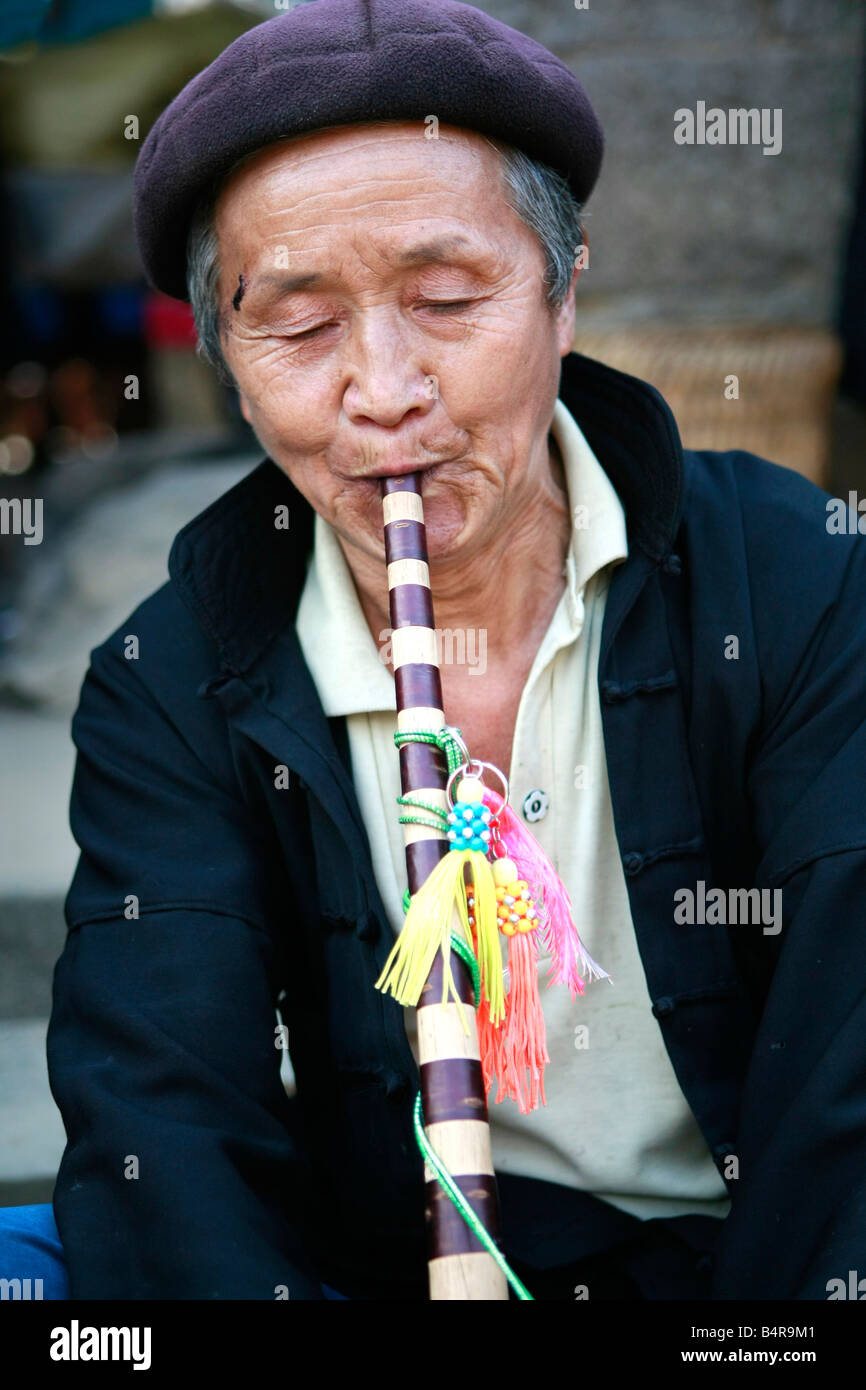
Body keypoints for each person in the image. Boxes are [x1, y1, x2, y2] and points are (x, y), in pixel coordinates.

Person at [6, 0, 864, 1301]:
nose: (385, 388)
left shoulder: (800, 577)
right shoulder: (170, 675)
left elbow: (842, 1112)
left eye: (448, 299)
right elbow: (161, 1120)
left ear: (565, 296)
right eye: (297, 326)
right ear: (230, 358)